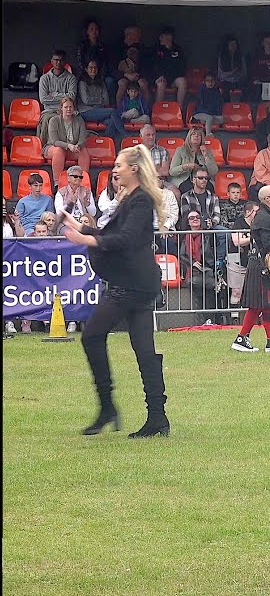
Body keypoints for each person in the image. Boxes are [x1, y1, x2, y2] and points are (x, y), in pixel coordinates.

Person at [60, 145, 170, 438]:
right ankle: (157, 418)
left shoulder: (140, 200)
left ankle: (109, 407)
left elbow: (126, 239)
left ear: (134, 168)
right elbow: (111, 235)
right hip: (136, 282)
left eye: (119, 164)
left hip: (131, 285)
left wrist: (87, 240)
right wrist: (83, 229)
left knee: (93, 336)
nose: (115, 169)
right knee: (144, 350)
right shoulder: (131, 199)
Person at [230, 185, 270, 353]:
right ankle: (248, 338)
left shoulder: (268, 217)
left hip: (263, 265)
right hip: (261, 266)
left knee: (265, 304)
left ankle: (258, 339)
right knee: (260, 304)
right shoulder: (264, 218)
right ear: (266, 199)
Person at [42, 96, 91, 186]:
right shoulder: (54, 120)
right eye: (66, 107)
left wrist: (78, 145)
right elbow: (55, 141)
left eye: (70, 107)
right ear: (61, 108)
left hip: (73, 149)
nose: (68, 109)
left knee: (83, 150)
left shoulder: (79, 120)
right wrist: (68, 145)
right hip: (53, 148)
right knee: (59, 150)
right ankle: (58, 183)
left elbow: (82, 138)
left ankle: (84, 182)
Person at [77, 59, 127, 139]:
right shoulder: (82, 83)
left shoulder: (101, 82)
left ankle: (105, 141)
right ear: (86, 69)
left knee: (111, 122)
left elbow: (106, 101)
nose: (93, 70)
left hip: (99, 110)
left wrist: (95, 101)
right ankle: (125, 135)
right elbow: (86, 100)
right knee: (112, 111)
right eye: (90, 68)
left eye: (95, 68)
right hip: (85, 111)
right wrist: (100, 100)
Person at [169, 127, 218, 194]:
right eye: (193, 134)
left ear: (202, 138)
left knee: (209, 189)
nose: (196, 136)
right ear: (189, 137)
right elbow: (172, 171)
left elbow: (214, 171)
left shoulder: (207, 151)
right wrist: (186, 166)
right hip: (184, 180)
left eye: (199, 135)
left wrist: (206, 155)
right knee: (189, 191)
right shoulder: (180, 150)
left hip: (202, 180)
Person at [150, 26, 189, 109]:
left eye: (162, 36)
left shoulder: (178, 50)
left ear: (169, 37)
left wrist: (172, 75)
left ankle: (179, 110)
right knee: (161, 84)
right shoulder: (157, 49)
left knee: (182, 81)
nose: (160, 38)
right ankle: (157, 111)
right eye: (160, 36)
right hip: (160, 79)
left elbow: (182, 68)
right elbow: (154, 66)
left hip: (173, 79)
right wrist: (159, 76)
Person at [189, 73, 225, 137]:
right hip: (199, 113)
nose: (210, 83)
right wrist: (210, 114)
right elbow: (201, 107)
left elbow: (218, 106)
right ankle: (208, 134)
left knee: (222, 119)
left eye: (212, 81)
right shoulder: (202, 91)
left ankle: (202, 121)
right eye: (208, 81)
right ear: (204, 82)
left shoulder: (217, 91)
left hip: (211, 114)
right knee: (209, 118)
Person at [215, 34, 248, 101]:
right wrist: (231, 73)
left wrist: (239, 74)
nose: (233, 46)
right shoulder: (221, 57)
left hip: (238, 81)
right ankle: (226, 108)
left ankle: (242, 107)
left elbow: (244, 74)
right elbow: (220, 75)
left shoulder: (241, 57)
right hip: (226, 81)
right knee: (225, 89)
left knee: (246, 88)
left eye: (235, 44)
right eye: (231, 45)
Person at [250, 32, 270, 103]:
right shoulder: (257, 55)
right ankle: (258, 112)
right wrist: (256, 80)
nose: (269, 44)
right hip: (260, 82)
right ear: (262, 43)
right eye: (266, 42)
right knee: (255, 90)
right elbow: (253, 70)